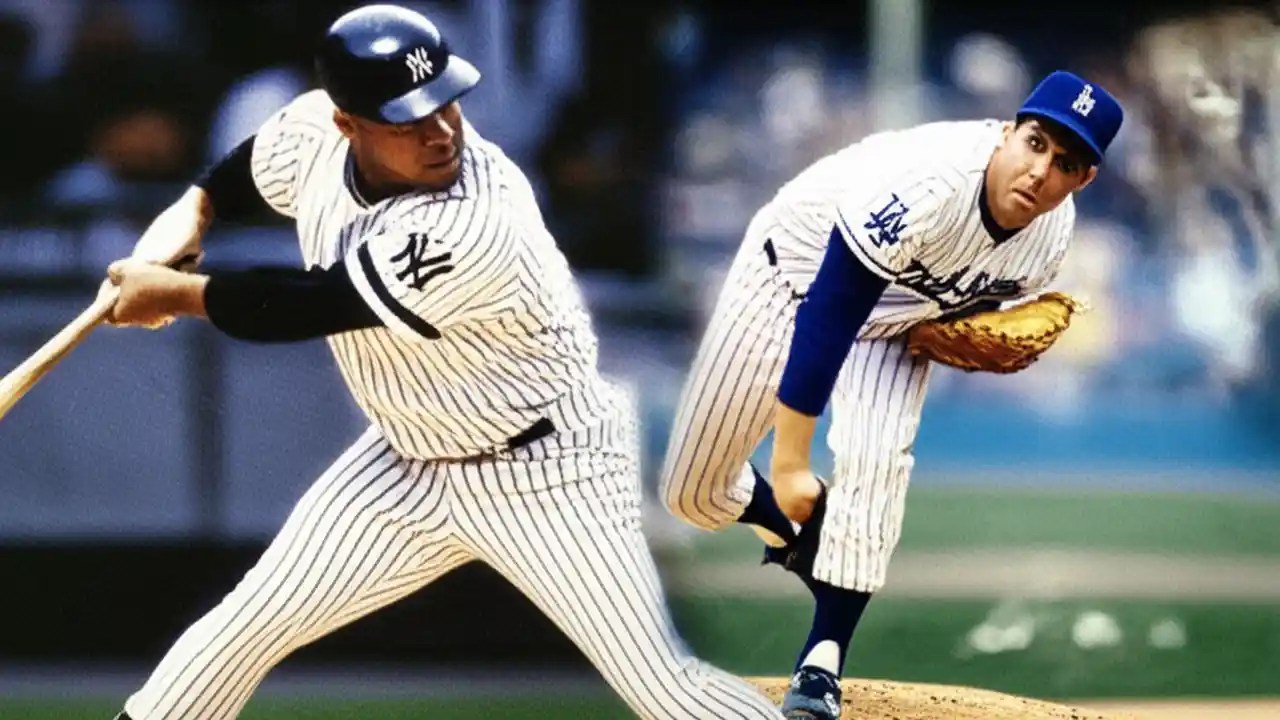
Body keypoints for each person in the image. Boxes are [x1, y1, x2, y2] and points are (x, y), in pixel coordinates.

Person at [103, 5, 784, 719]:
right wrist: (194, 208)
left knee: (659, 684)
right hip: (405, 463)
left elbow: (310, 305)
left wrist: (173, 293)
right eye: (408, 119)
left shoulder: (475, 216)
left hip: (549, 470)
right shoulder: (312, 129)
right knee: (242, 627)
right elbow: (245, 169)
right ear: (347, 124)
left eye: (445, 104)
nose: (440, 133)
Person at [659, 70, 1123, 718]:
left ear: (1085, 180)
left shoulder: (1049, 239)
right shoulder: (929, 183)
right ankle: (791, 529)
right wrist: (791, 464)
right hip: (791, 275)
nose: (1041, 170)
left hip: (897, 319)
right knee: (693, 494)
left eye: (1066, 162)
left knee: (878, 463)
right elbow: (832, 309)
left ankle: (822, 661)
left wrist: (967, 341)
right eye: (1036, 142)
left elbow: (965, 309)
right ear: (1007, 131)